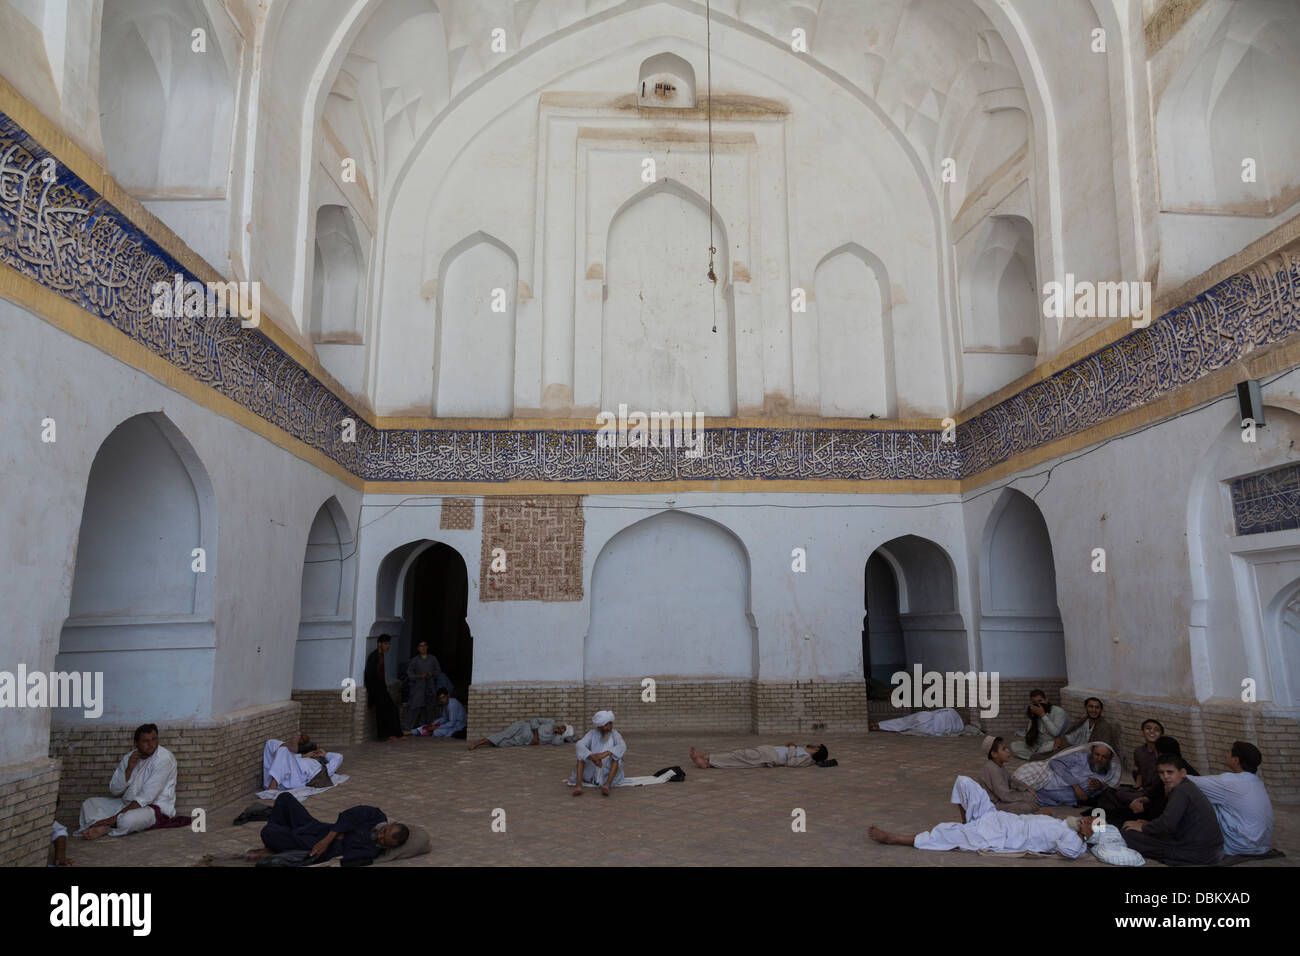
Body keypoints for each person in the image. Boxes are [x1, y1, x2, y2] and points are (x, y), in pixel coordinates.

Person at [868, 775, 1091, 858]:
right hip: (997, 817)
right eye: (1088, 818)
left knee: (947, 833)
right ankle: (968, 823)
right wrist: (1045, 815)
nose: (1086, 819)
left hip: (998, 835)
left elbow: (1069, 852)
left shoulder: (1072, 840)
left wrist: (1085, 835)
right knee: (964, 782)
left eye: (1089, 822)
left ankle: (894, 838)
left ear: (1087, 832)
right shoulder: (1062, 824)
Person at [77, 724, 180, 840]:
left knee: (128, 820)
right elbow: (114, 791)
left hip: (153, 809)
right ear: (135, 744)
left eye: (154, 739)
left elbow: (145, 798)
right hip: (127, 804)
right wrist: (129, 769)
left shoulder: (164, 759)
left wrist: (113, 818)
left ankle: (106, 827)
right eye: (145, 741)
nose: (151, 745)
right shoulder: (129, 758)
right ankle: (102, 824)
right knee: (90, 804)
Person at [249, 792, 408, 866]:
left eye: (383, 841)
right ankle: (273, 847)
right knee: (285, 798)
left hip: (312, 846)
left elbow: (342, 856)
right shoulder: (376, 816)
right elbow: (349, 815)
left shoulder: (371, 851)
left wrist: (336, 839)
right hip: (319, 828)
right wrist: (330, 838)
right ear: (390, 824)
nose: (379, 837)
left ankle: (275, 847)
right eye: (384, 832)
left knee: (269, 832)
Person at [1122, 755, 1224, 865]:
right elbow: (1172, 821)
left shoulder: (1182, 791)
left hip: (1199, 853)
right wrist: (1149, 824)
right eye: (1161, 772)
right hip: (1208, 850)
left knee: (1129, 833)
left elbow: (1167, 825)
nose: (1165, 776)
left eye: (1170, 772)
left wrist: (1143, 827)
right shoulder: (1185, 787)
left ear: (1183, 773)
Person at [1187, 741, 1274, 857]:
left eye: (1228, 752)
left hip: (1239, 845)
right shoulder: (1256, 781)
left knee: (1193, 795)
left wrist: (1174, 771)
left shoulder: (1230, 781)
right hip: (1262, 846)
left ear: (1236, 760)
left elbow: (1190, 781)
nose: (1226, 754)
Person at [1029, 742, 1120, 806]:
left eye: (1104, 757)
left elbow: (1107, 791)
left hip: (1053, 799)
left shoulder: (1108, 773)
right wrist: (1075, 786)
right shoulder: (1080, 757)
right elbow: (1054, 762)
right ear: (1092, 753)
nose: (1099, 759)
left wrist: (1100, 787)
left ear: (1109, 759)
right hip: (1045, 783)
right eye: (1097, 754)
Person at [569, 711, 626, 796]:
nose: (608, 727)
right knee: (581, 756)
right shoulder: (591, 733)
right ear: (599, 727)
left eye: (609, 724)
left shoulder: (615, 734)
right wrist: (592, 756)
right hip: (593, 768)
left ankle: (607, 785)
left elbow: (622, 746)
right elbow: (579, 744)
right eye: (605, 725)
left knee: (616, 757)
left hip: (607, 769)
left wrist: (606, 753)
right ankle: (579, 786)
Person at [975, 736, 1038, 813]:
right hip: (995, 804)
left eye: (1007, 748)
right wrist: (1023, 798)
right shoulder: (993, 769)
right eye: (1003, 749)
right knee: (1027, 807)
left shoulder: (999, 765)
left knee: (1030, 797)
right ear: (994, 754)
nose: (1008, 751)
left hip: (1002, 798)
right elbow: (1005, 795)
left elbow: (1011, 780)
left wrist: (1026, 788)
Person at [262, 733, 344, 790]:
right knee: (270, 743)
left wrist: (325, 754)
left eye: (316, 754)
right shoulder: (302, 758)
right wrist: (303, 756)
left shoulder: (323, 768)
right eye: (314, 753)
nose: (315, 754)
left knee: (283, 750)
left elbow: (339, 757)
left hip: (293, 780)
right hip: (279, 774)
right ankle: (289, 745)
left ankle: (273, 784)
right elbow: (288, 760)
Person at [364, 634, 405, 741]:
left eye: (389, 644)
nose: (388, 646)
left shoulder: (381, 655)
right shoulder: (374, 656)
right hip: (377, 690)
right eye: (386, 644)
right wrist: (373, 691)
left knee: (391, 710)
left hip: (382, 689)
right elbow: (369, 675)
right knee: (383, 712)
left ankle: (395, 734)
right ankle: (386, 736)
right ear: (379, 644)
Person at [1009, 689, 1069, 759]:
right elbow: (1030, 732)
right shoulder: (1035, 712)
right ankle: (1039, 756)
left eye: (1040, 701)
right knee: (1014, 746)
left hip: (1052, 743)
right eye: (1034, 702)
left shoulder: (1058, 712)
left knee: (1045, 749)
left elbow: (1055, 733)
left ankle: (1038, 755)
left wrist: (1042, 715)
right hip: (1037, 745)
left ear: (1046, 700)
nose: (1038, 704)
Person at [688, 742, 828, 769]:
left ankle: (707, 758)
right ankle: (706, 761)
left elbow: (790, 762)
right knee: (738, 758)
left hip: (768, 757)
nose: (814, 744)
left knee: (738, 755)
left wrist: (792, 747)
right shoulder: (803, 751)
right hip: (767, 752)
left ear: (817, 750)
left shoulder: (806, 759)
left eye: (817, 745)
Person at [468, 718, 575, 750]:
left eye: (563, 729)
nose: (560, 727)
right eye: (562, 726)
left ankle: (487, 742)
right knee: (503, 735)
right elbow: (534, 720)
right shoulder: (550, 722)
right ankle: (478, 743)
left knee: (501, 744)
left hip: (523, 740)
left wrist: (560, 734)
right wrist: (536, 737)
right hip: (522, 728)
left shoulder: (555, 738)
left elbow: (557, 743)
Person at [404, 640, 442, 729]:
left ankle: (425, 728)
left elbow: (438, 671)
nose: (423, 647)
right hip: (418, 688)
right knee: (415, 707)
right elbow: (410, 674)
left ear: (427, 647)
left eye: (425, 645)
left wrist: (431, 674)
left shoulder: (432, 659)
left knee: (429, 708)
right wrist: (420, 676)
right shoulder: (415, 660)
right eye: (421, 646)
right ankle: (408, 727)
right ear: (418, 648)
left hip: (430, 687)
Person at [869, 708, 964, 735]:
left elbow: (938, 712)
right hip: (927, 722)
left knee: (903, 723)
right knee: (904, 725)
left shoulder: (951, 712)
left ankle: (880, 725)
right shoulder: (952, 713)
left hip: (928, 722)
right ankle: (880, 726)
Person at [1131, 718, 1166, 789]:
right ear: (1142, 732)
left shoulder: (1165, 753)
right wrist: (1137, 787)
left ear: (1161, 735)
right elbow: (1139, 772)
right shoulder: (1138, 751)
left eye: (1156, 730)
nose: (1152, 731)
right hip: (1144, 788)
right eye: (1148, 728)